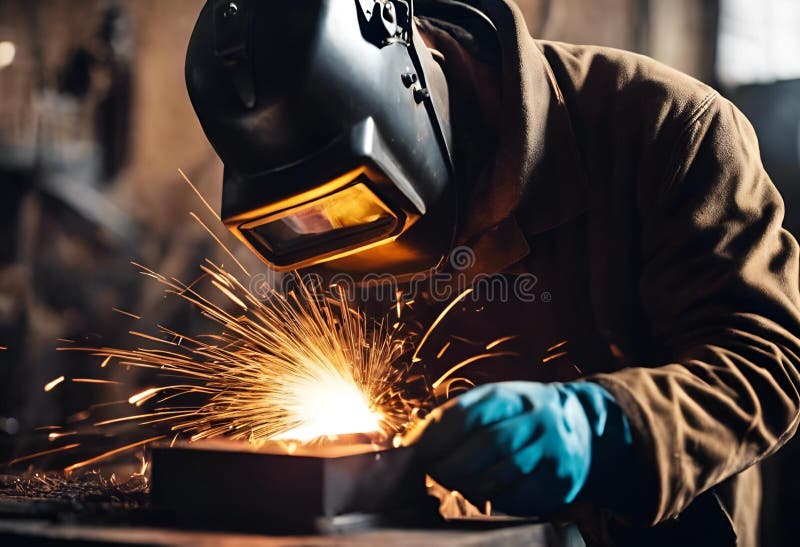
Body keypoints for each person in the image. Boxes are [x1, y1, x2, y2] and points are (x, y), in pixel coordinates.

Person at [184, 1, 800, 545]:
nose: (337, 232)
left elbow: (768, 362)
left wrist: (602, 428)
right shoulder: (313, 207)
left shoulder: (667, 127)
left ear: (417, 84)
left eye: (353, 204)